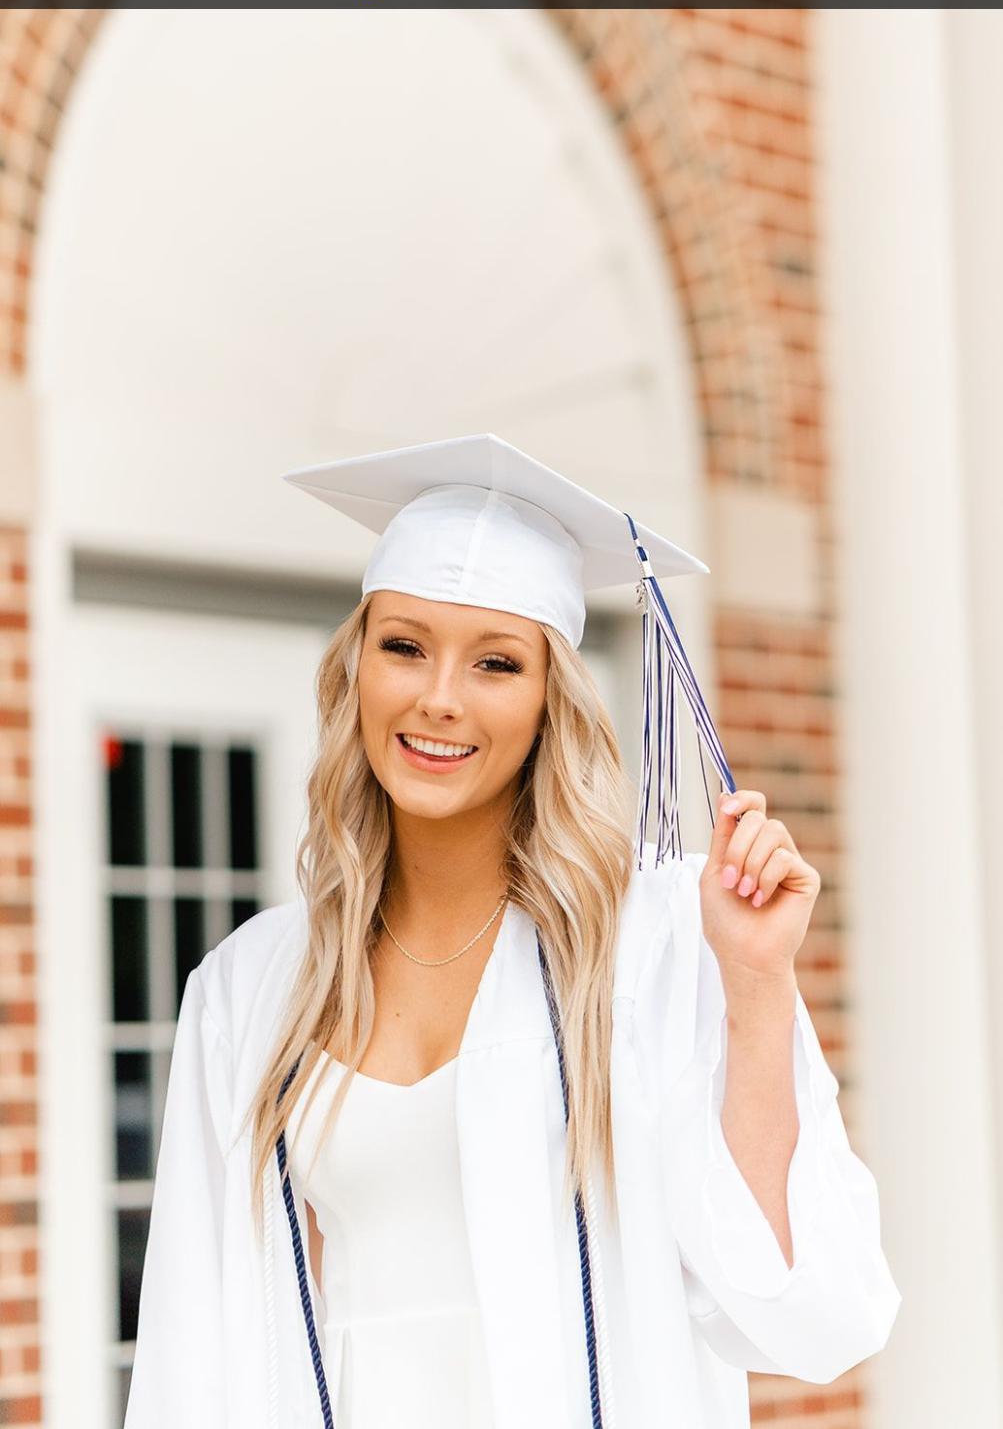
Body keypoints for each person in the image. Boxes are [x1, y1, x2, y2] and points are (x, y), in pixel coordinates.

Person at [124, 433, 901, 1429]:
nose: (439, 698)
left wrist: (753, 982)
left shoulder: (648, 947)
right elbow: (196, 1350)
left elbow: (808, 1311)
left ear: (547, 703)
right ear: (358, 667)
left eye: (496, 662)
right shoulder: (252, 989)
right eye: (404, 645)